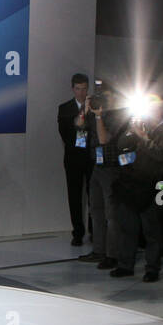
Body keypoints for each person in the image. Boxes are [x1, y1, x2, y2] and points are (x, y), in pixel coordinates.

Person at [110, 96, 163, 281]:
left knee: (152, 229)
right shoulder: (139, 127)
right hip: (130, 184)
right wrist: (131, 131)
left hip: (155, 185)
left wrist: (143, 137)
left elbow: (161, 155)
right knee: (128, 227)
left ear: (160, 110)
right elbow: (120, 146)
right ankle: (125, 265)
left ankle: (152, 268)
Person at [81, 83, 130, 270]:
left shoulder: (120, 116)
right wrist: (85, 111)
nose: (104, 100)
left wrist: (99, 116)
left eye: (107, 97)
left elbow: (103, 139)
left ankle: (112, 255)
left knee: (112, 214)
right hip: (97, 166)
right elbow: (78, 127)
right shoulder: (94, 114)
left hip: (112, 168)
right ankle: (98, 250)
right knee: (96, 211)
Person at [57, 73, 93, 247]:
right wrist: (81, 115)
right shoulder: (64, 108)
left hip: (92, 157)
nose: (81, 92)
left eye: (84, 88)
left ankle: (96, 231)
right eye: (78, 89)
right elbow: (66, 135)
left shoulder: (95, 107)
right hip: (73, 157)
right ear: (73, 89)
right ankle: (77, 232)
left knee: (94, 196)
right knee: (75, 196)